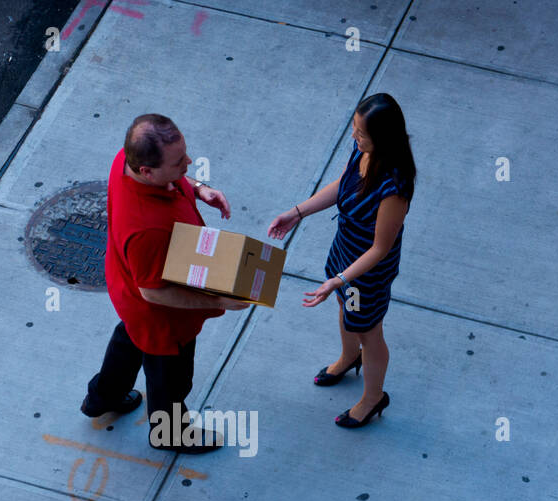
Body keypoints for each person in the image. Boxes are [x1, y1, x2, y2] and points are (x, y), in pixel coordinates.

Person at [84, 114, 248, 453]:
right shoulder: (148, 230)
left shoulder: (125, 160)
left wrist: (199, 189)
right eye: (179, 163)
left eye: (185, 155)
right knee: (171, 379)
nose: (187, 164)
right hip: (160, 317)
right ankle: (169, 433)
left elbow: (175, 178)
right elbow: (153, 291)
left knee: (129, 336)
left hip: (127, 288)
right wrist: (219, 301)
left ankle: (103, 397)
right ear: (147, 171)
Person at [269, 93, 415, 428]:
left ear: (383, 138)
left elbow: (379, 249)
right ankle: (349, 358)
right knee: (345, 309)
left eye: (360, 133)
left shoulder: (394, 187)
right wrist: (297, 212)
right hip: (345, 252)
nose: (354, 137)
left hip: (367, 273)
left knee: (370, 331)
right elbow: (344, 184)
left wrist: (341, 279)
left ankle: (373, 397)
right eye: (355, 129)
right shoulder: (364, 152)